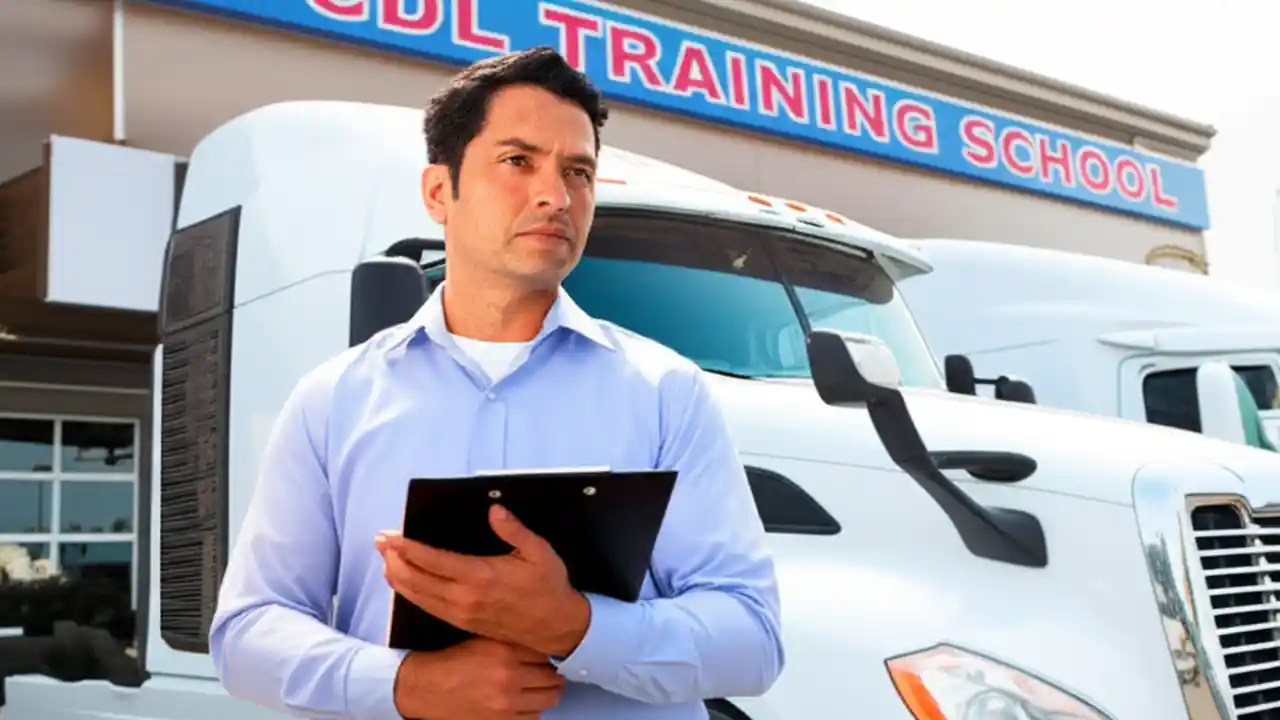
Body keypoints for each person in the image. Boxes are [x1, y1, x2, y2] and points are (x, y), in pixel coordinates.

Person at [208, 46, 784, 719]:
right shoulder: (333, 400)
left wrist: (575, 626)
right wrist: (404, 685)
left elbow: (753, 638)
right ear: (438, 192)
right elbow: (248, 630)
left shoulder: (667, 393)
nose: (556, 195)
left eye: (579, 172)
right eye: (519, 162)